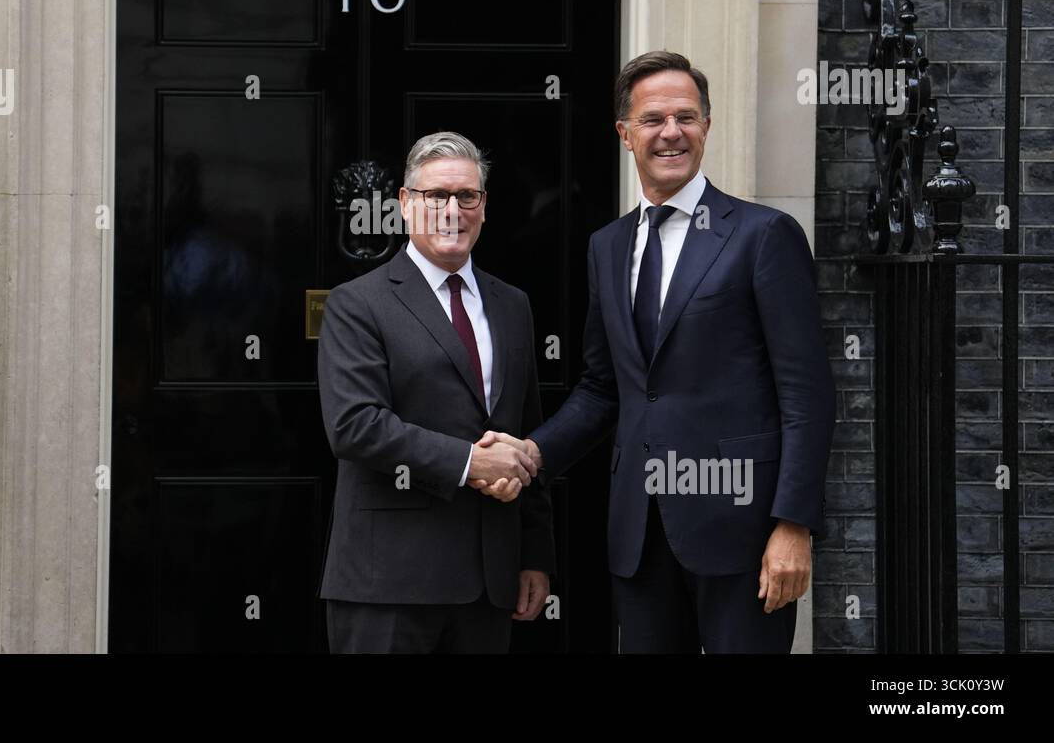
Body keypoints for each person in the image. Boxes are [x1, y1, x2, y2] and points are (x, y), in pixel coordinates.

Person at [476, 51, 835, 653]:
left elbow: (808, 392)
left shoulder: (763, 236)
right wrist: (533, 453)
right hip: (639, 534)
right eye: (653, 119)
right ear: (624, 134)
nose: (672, 132)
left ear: (707, 126)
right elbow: (602, 388)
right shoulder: (607, 246)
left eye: (686, 117)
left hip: (742, 529)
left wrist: (794, 525)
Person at [317, 131, 554, 653]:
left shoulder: (512, 305)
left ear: (483, 206)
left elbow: (526, 431)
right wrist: (471, 463)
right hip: (389, 583)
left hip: (488, 581)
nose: (453, 209)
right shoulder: (358, 303)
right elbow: (355, 426)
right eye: (436, 196)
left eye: (466, 196)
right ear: (405, 204)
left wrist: (535, 554)